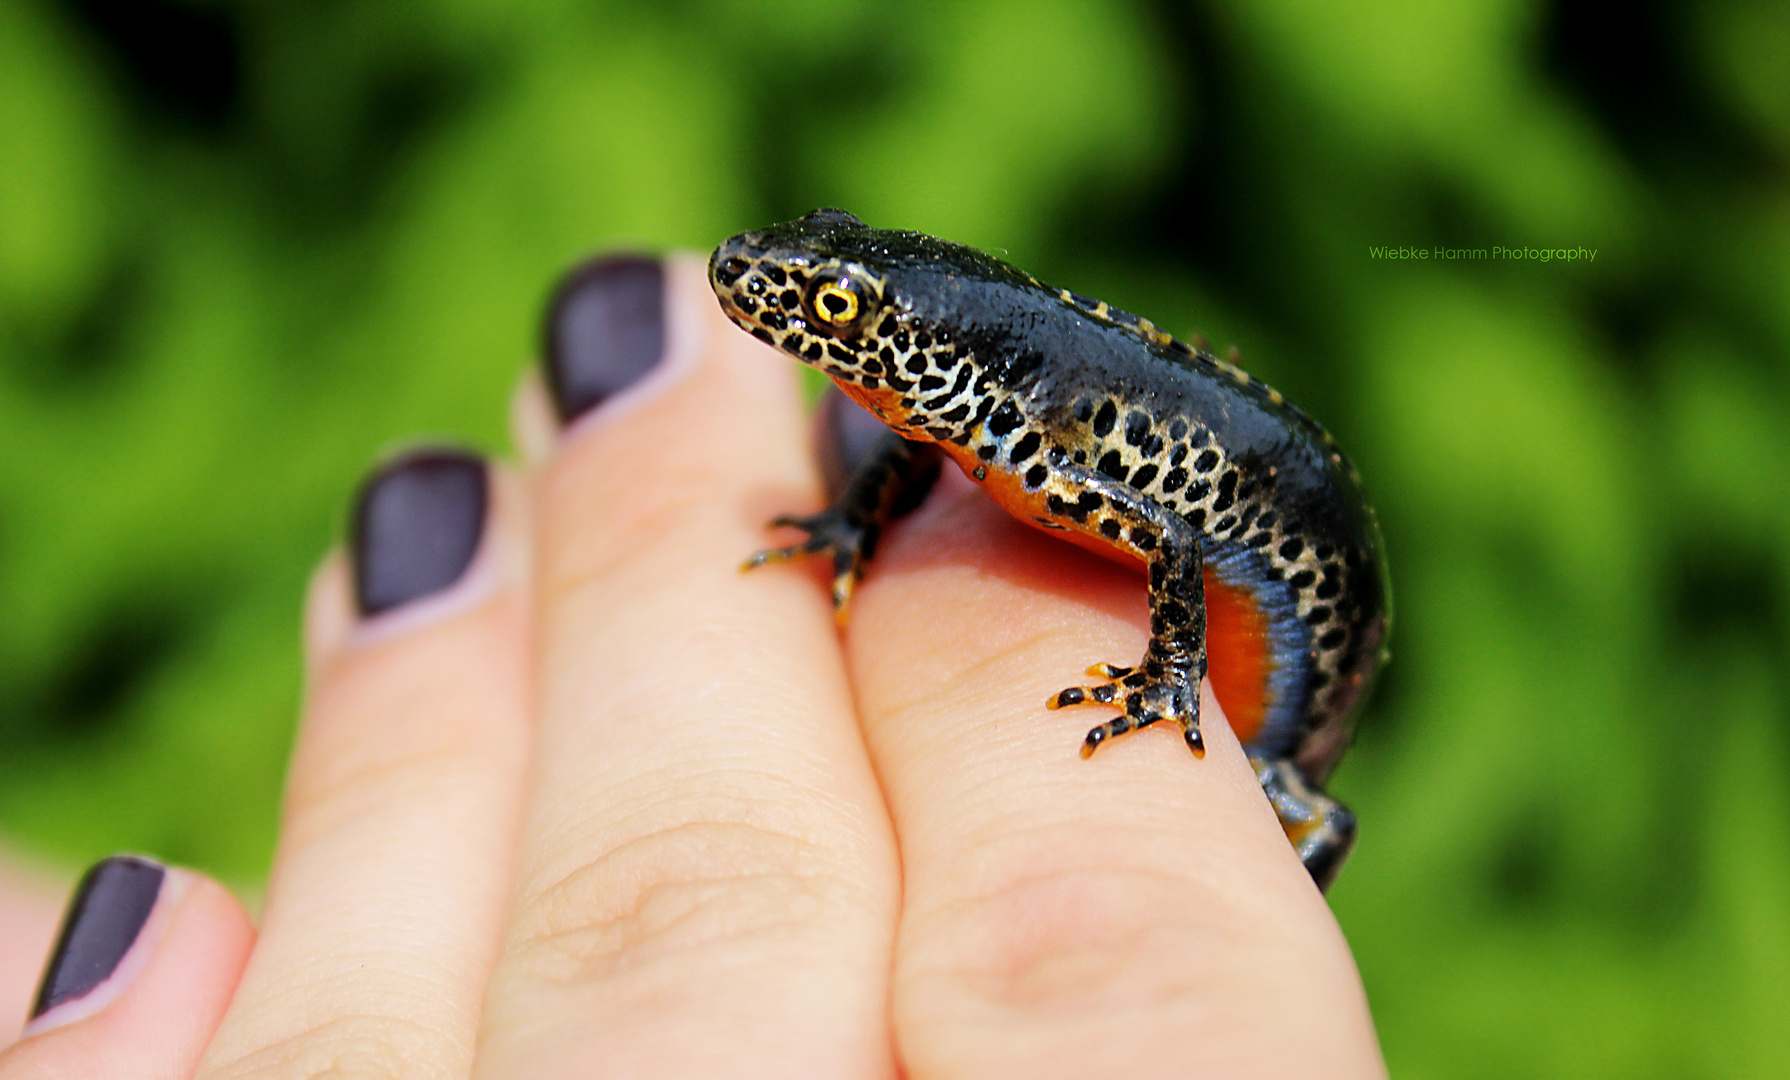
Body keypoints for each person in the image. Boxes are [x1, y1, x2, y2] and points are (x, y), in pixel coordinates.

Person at [0, 253, 1387, 1078]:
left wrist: (1161, 680)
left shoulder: (1029, 419)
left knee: (1292, 820)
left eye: (833, 312)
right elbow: (925, 439)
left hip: (1277, 674)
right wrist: (855, 514)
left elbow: (1162, 539)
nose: (763, 299)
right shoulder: (948, 414)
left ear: (926, 345)